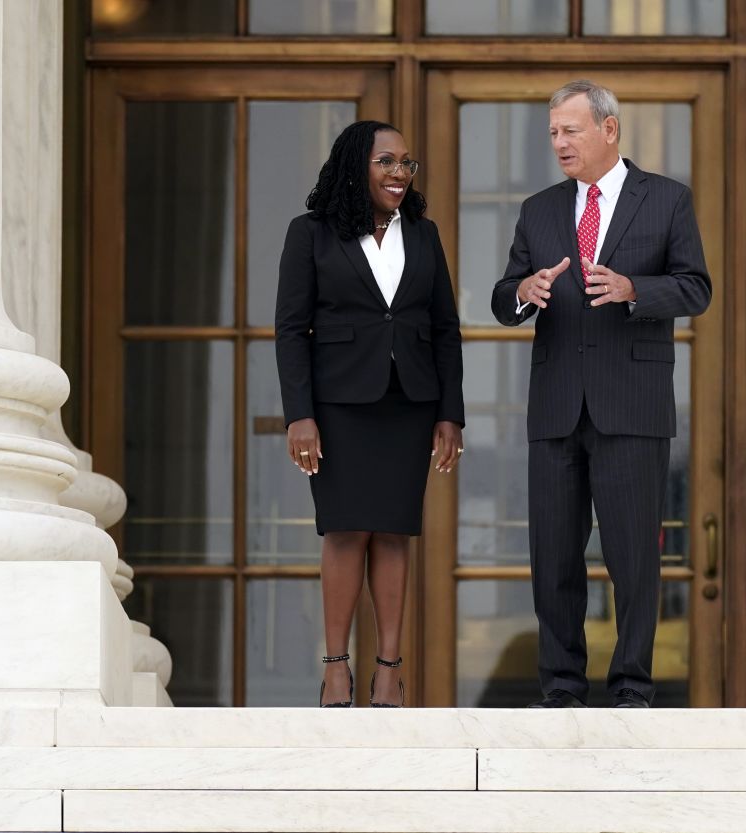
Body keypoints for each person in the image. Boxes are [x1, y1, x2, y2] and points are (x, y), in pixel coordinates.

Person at [490, 80, 711, 709]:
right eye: (553, 132)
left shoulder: (666, 199)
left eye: (571, 130)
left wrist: (634, 290)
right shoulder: (538, 209)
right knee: (554, 558)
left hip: (632, 405)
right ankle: (560, 688)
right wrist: (522, 292)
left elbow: (696, 288)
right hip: (557, 407)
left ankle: (632, 687)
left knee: (633, 559)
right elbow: (502, 297)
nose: (559, 142)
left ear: (609, 130)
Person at [276, 120, 464, 708]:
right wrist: (299, 415)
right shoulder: (311, 234)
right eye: (387, 162)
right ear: (357, 165)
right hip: (337, 406)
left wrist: (449, 413)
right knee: (344, 529)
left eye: (407, 164)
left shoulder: (425, 236)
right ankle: (336, 669)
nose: (399, 174)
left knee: (393, 531)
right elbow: (289, 330)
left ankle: (387, 670)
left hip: (409, 402)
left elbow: (444, 331)